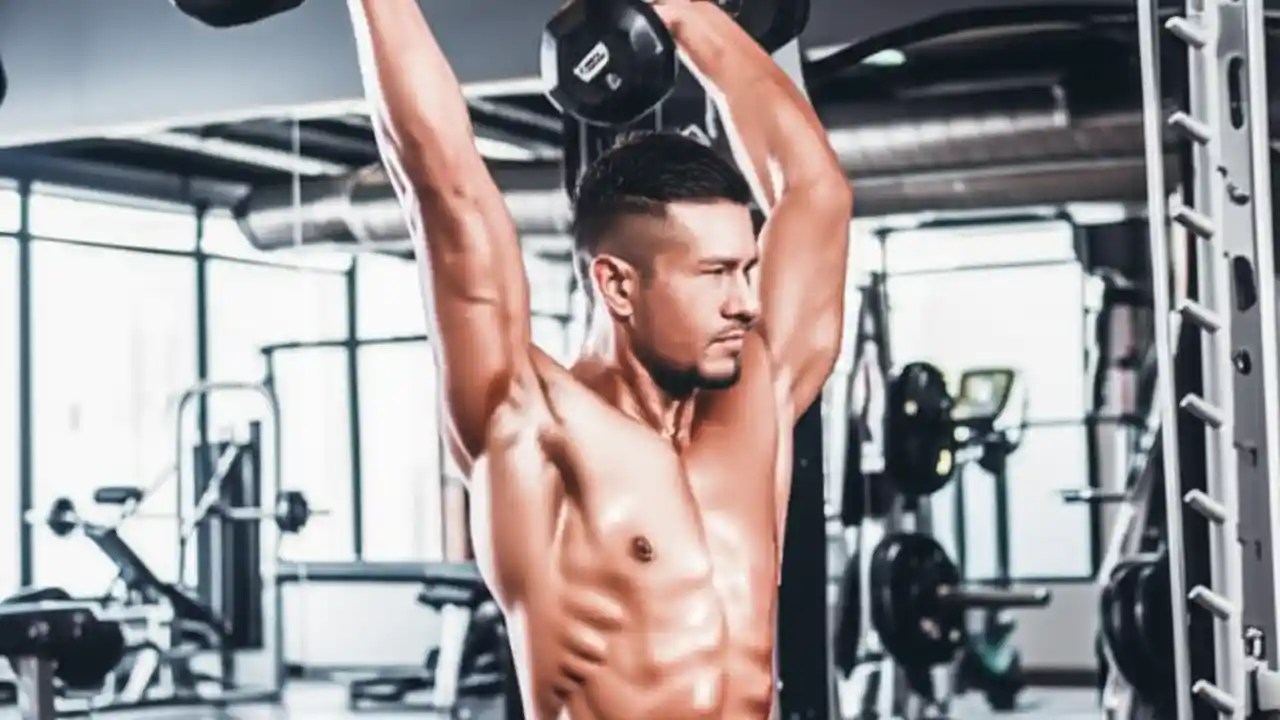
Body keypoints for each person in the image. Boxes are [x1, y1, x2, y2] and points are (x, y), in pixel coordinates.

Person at [346, 0, 852, 717]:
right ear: (617, 283)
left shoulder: (756, 402)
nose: (745, 301)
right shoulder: (530, 429)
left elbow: (816, 194)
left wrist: (684, 16)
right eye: (715, 275)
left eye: (746, 269)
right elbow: (443, 186)